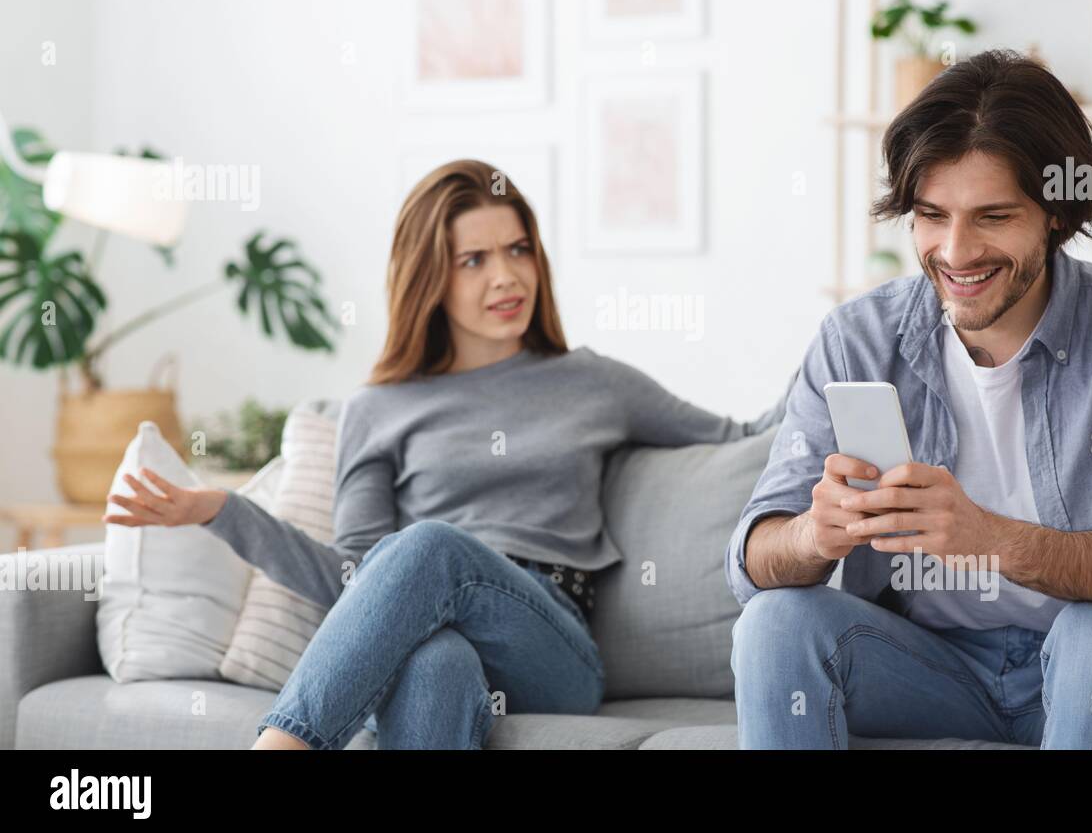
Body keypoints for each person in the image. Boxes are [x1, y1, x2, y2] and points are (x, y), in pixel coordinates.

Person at [105, 158, 782, 749]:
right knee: (434, 660)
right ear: (430, 275)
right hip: (434, 632)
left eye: (518, 250)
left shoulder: (591, 381)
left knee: (433, 547)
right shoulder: (379, 408)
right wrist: (223, 510)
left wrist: (845, 349)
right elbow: (356, 582)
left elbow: (742, 434)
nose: (506, 277)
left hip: (551, 650)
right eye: (474, 260)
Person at [724, 48, 1092, 750]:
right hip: (932, 668)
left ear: (1054, 213)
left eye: (993, 216)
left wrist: (994, 541)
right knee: (774, 624)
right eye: (931, 215)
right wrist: (812, 535)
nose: (955, 252)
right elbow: (751, 561)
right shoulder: (859, 338)